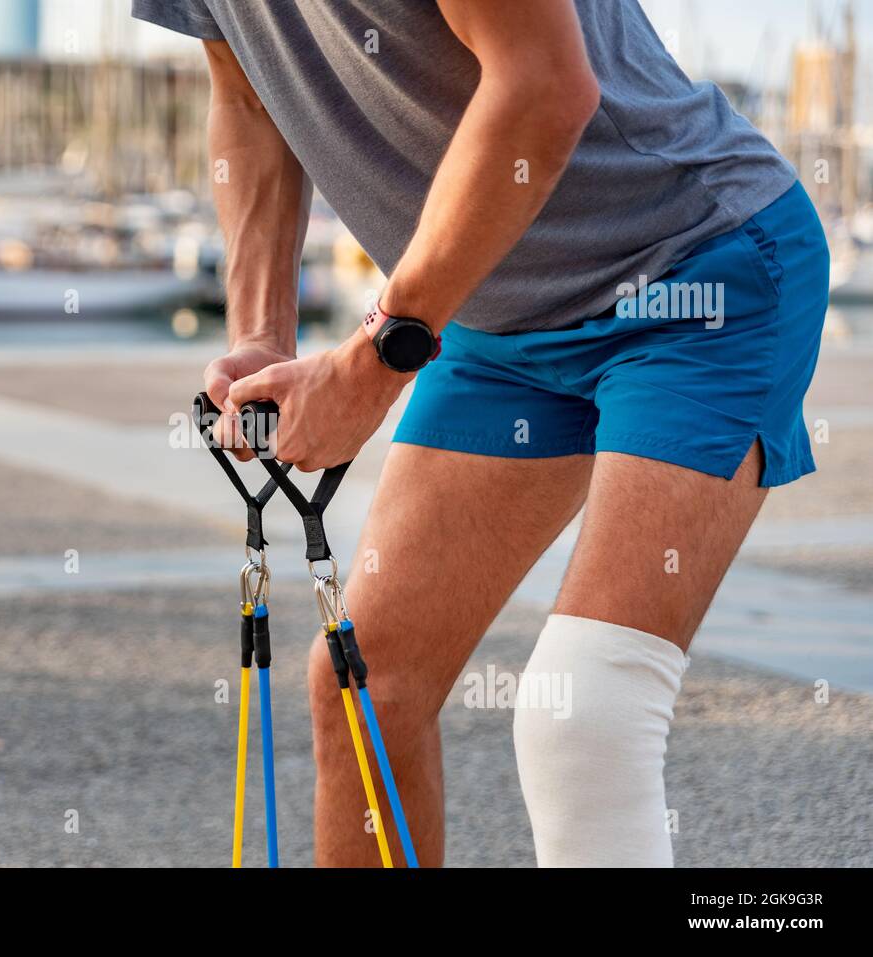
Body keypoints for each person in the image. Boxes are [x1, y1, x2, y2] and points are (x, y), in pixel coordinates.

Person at [135, 0, 829, 866]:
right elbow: (246, 96)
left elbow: (544, 86)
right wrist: (259, 332)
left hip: (693, 280)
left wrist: (369, 365)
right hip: (493, 318)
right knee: (367, 689)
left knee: (584, 711)